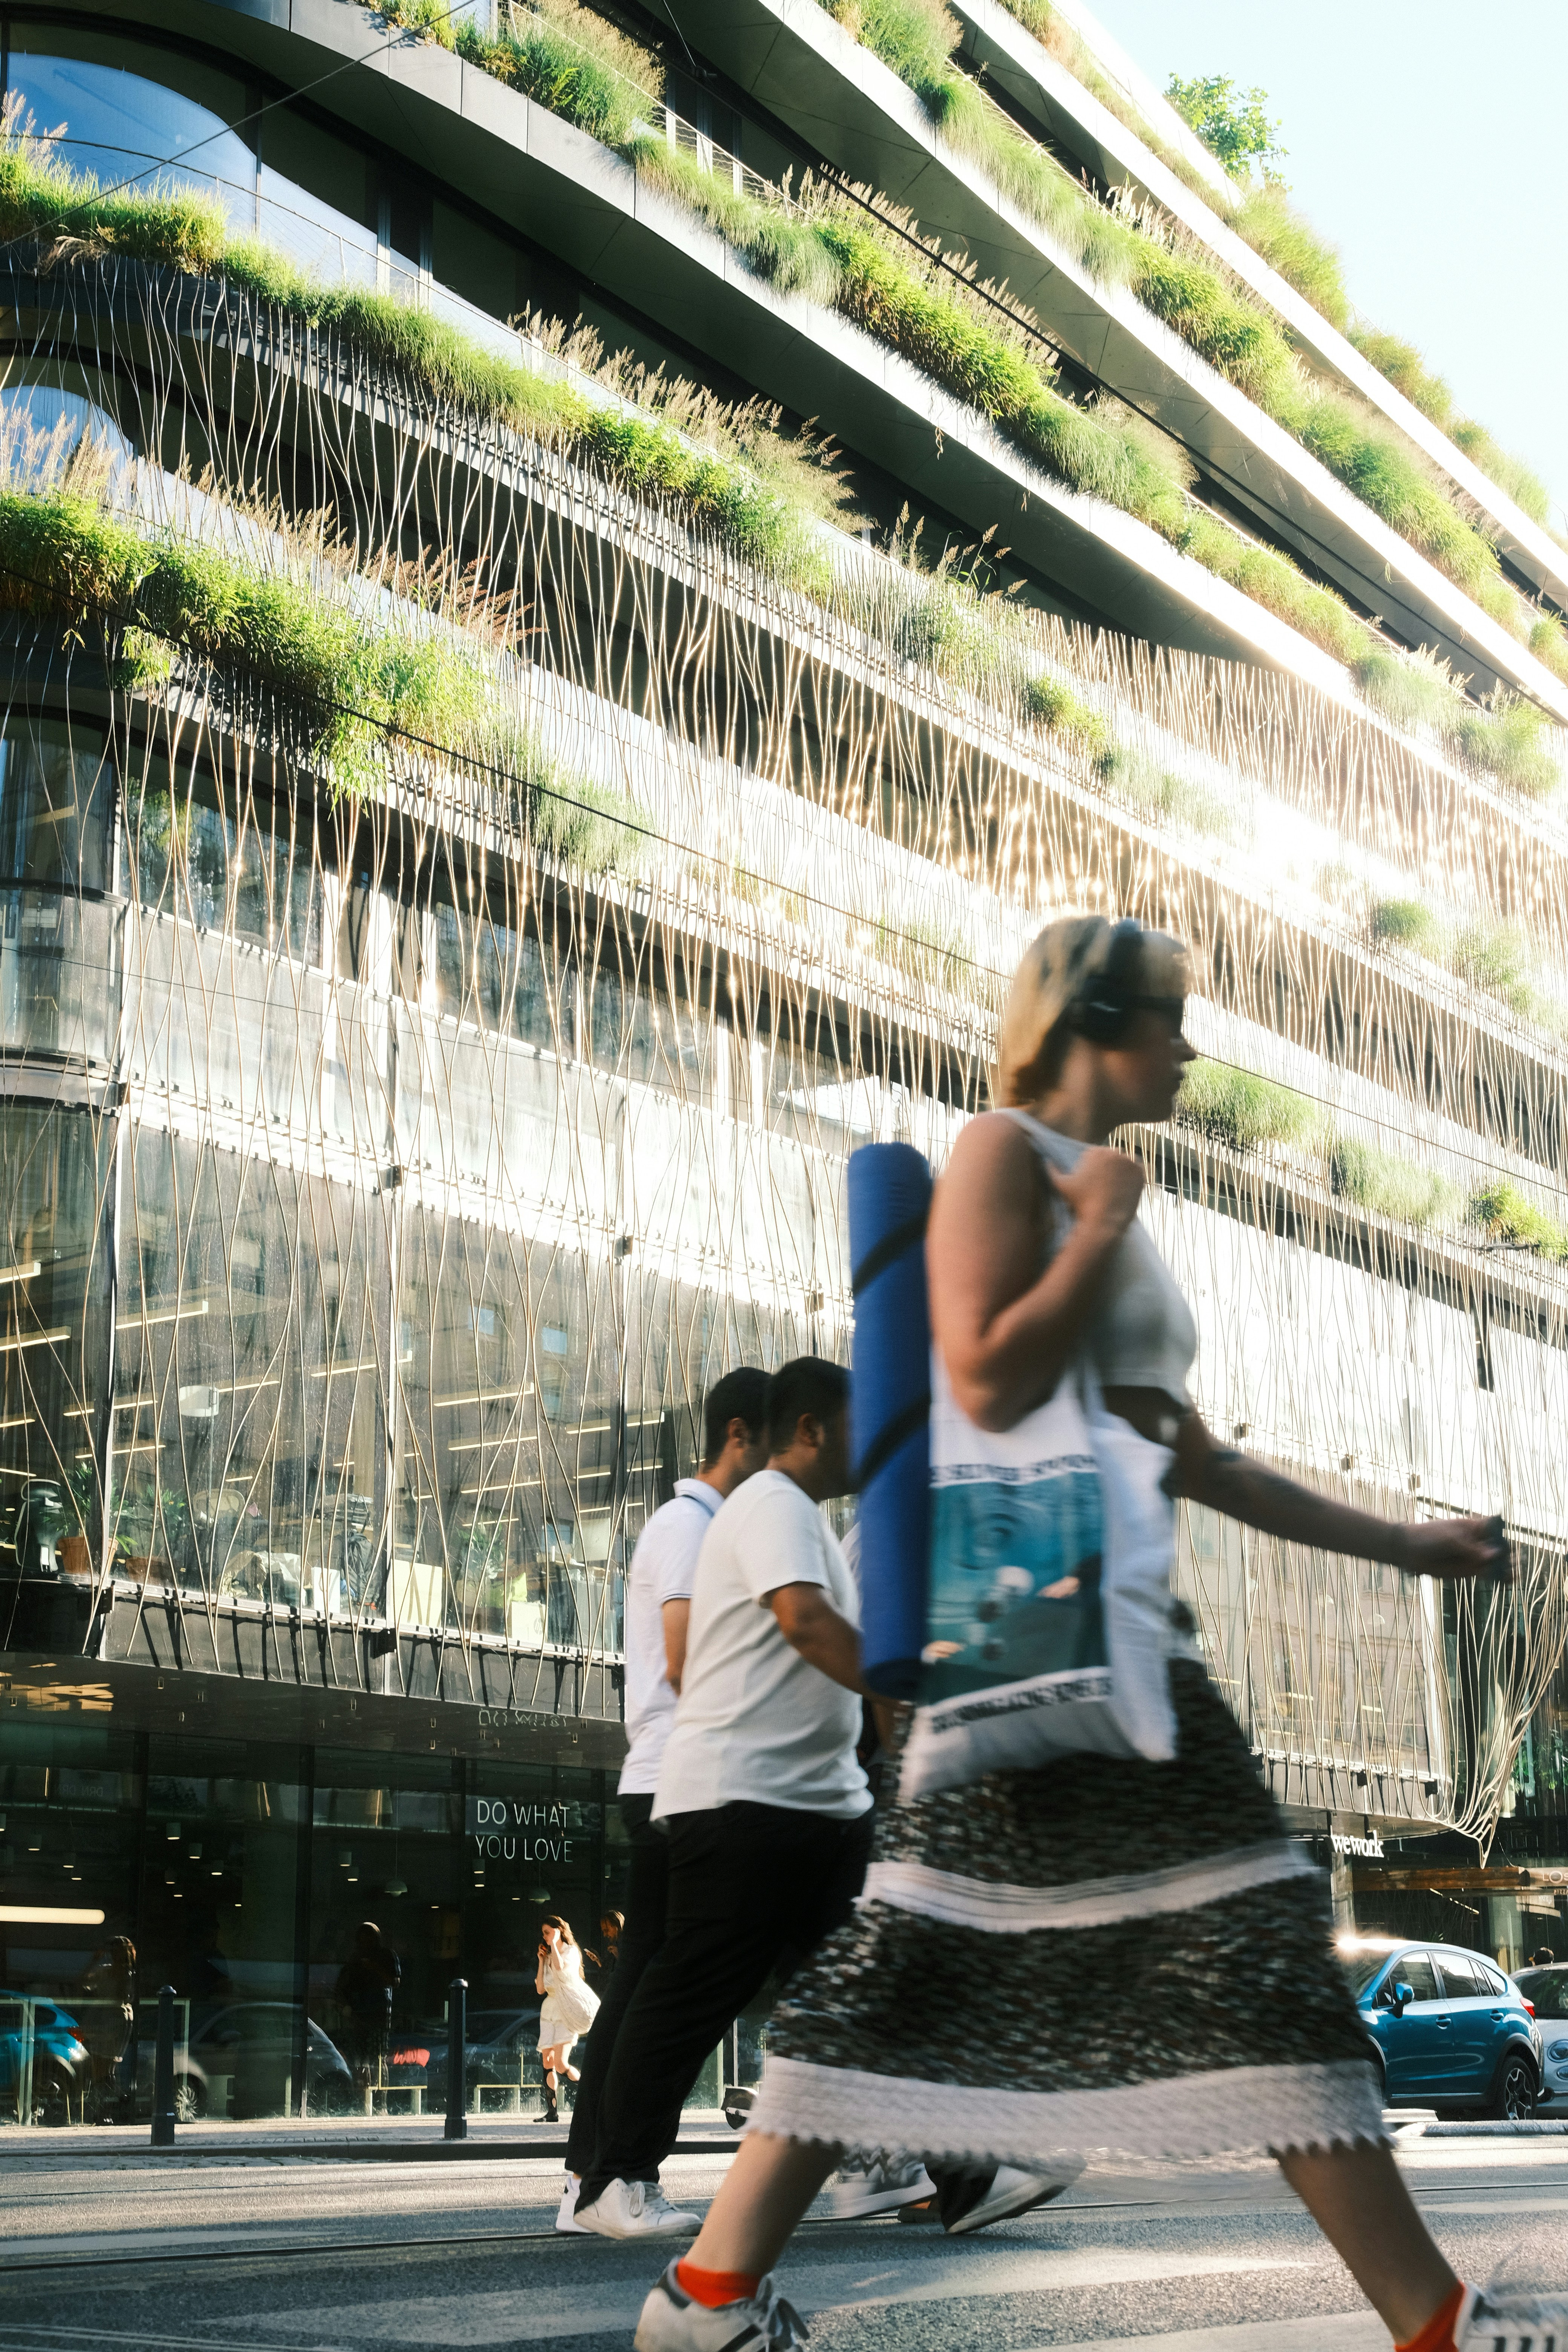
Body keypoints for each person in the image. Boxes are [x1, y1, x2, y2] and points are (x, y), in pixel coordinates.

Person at [633, 915, 1555, 2352]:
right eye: (1170, 1022)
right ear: (1092, 1023)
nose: (1189, 1050)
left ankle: (707, 2294)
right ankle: (1431, 2320)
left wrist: (1408, 1544)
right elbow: (989, 1377)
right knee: (1239, 1954)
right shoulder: (1006, 1154)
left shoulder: (1091, 1184)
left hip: (1094, 1634)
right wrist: (1105, 1227)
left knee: (929, 1956)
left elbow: (1198, 1455)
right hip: (1050, 1633)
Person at [575, 1356, 873, 2243]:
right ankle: (609, 2178)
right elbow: (766, 1634)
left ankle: (923, 2162)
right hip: (729, 1791)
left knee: (848, 1985)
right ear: (806, 1427)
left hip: (800, 1799)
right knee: (678, 1994)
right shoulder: (742, 1511)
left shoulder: (788, 1518)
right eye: (857, 1424)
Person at [558, 1369, 772, 2232]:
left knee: (648, 1982)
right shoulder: (691, 1528)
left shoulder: (693, 1525)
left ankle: (592, 2182)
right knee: (669, 1989)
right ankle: (616, 2179)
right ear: (737, 1435)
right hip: (682, 1776)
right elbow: (686, 1660)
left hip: (667, 1776)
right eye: (772, 1450)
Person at [536, 1916, 598, 2122]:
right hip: (550, 2009)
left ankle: (592, 2090)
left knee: (562, 2064)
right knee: (547, 2061)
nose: (545, 1937)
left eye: (548, 1932)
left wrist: (554, 1944)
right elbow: (540, 1989)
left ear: (559, 1930)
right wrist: (540, 1960)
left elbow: (562, 1971)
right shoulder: (547, 1955)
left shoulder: (571, 1952)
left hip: (567, 2008)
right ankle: (552, 2112)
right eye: (544, 1933)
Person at [334, 1921, 400, 2103]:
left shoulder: (386, 1956)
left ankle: (381, 2103)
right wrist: (346, 2008)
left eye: (369, 1939)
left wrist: (375, 1968)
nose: (365, 1944)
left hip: (379, 2016)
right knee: (361, 2060)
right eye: (362, 1940)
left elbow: (395, 1981)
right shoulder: (354, 1961)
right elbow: (341, 1987)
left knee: (379, 2059)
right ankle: (365, 2102)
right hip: (358, 2016)